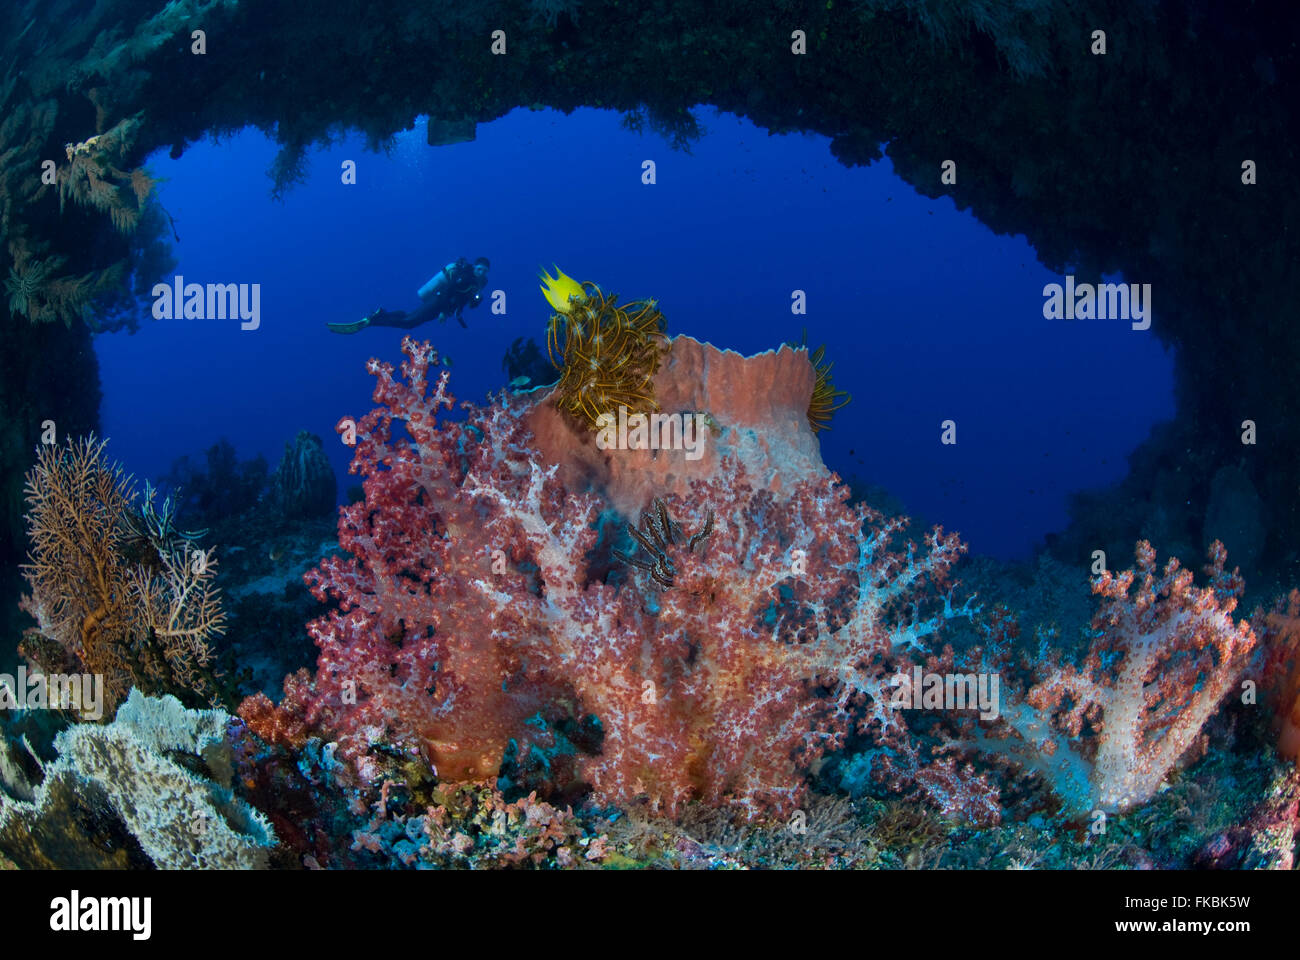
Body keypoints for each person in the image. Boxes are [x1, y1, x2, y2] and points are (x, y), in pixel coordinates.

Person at [329, 256, 490, 333]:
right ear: (474, 267)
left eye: (484, 271)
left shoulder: (480, 283)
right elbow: (449, 292)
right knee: (409, 321)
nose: (481, 272)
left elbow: (468, 303)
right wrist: (442, 311)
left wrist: (477, 299)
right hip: (439, 302)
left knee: (409, 320)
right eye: (479, 269)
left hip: (444, 308)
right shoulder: (464, 277)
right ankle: (373, 320)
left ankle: (380, 316)